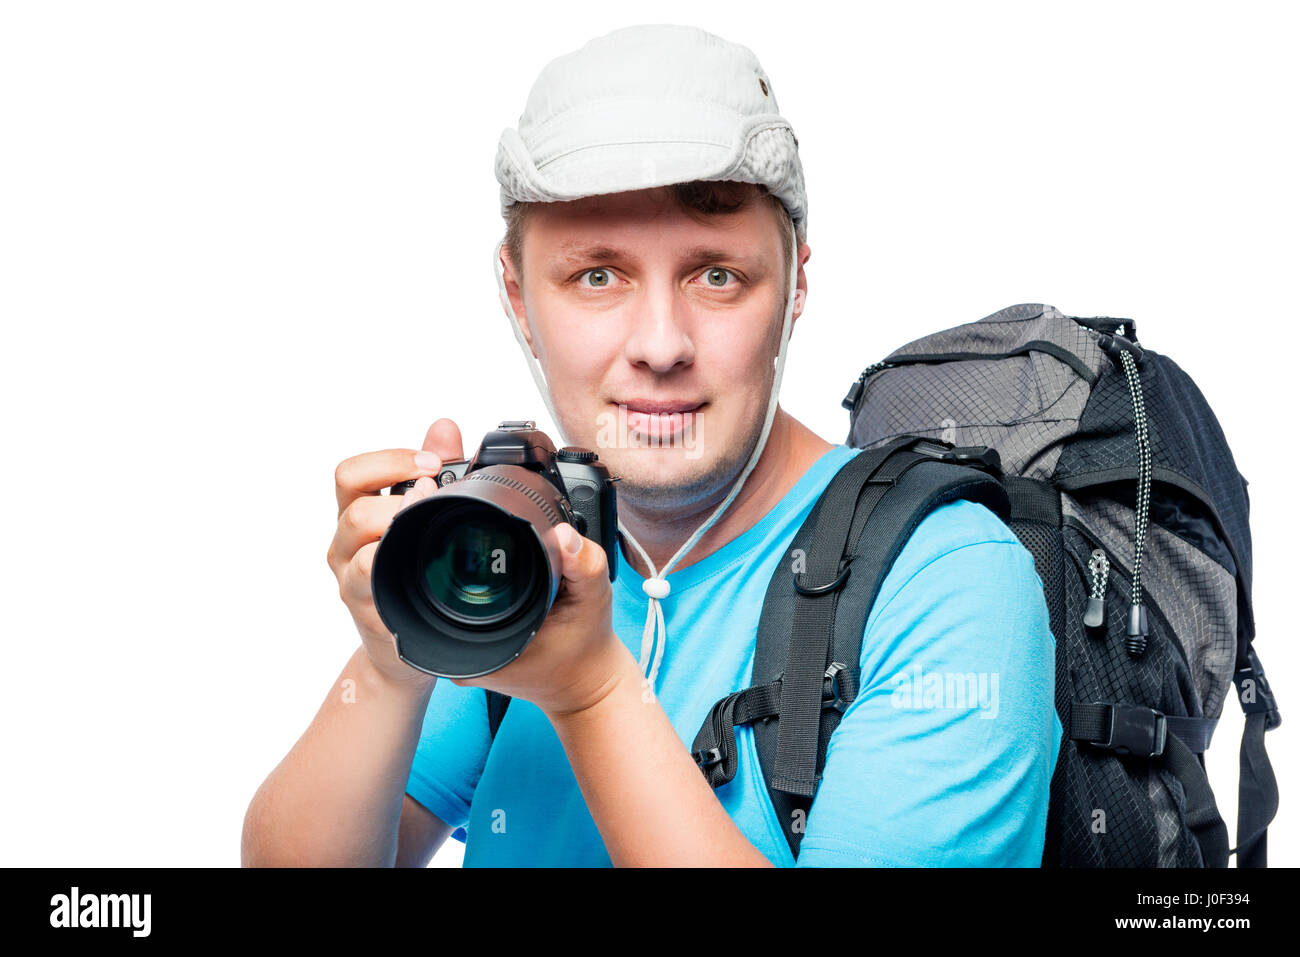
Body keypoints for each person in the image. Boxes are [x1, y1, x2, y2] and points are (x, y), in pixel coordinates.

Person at [241, 23, 1062, 868]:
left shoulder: (946, 575)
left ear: (797, 287)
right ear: (519, 299)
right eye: (598, 275)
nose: (661, 344)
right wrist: (390, 661)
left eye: (717, 275)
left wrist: (592, 692)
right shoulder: (505, 553)